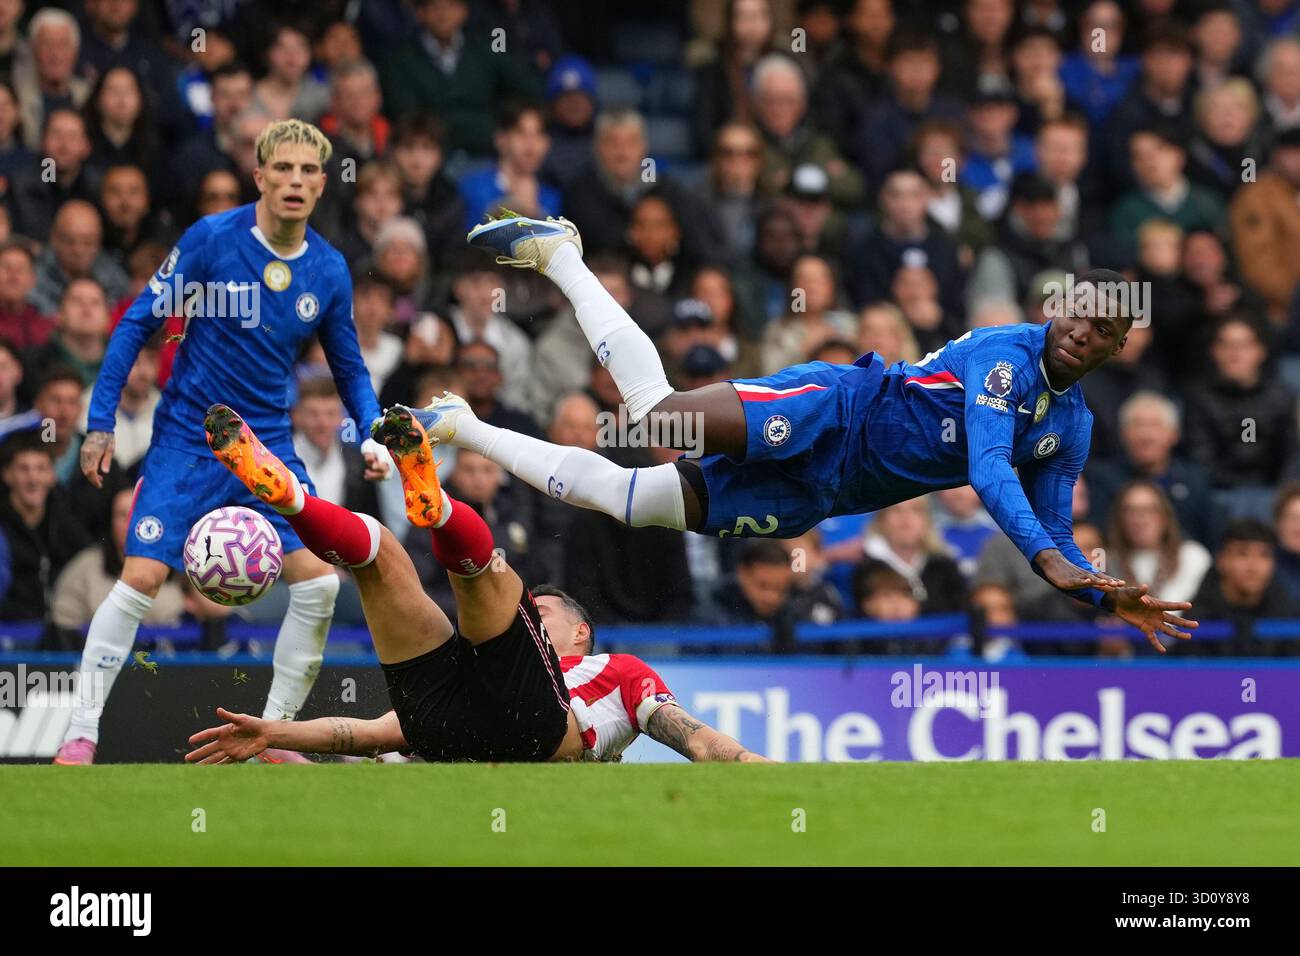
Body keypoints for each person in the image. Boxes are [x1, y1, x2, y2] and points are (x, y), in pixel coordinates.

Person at [439, 212, 1200, 651]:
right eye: (1078, 314)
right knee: (657, 415)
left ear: (1116, 346)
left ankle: (462, 426)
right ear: (1055, 310)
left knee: (628, 499)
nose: (1082, 332)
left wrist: (1102, 596)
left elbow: (1059, 531)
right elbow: (992, 466)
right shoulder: (1007, 355)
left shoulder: (1072, 427)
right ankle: (563, 253)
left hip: (826, 492)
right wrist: (1046, 557)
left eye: (1103, 329)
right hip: (835, 409)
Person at [53, 119, 392, 766]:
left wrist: (373, 432)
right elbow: (135, 325)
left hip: (266, 446)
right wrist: (100, 421)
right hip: (190, 438)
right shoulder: (211, 241)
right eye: (282, 169)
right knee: (143, 576)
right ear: (259, 176)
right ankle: (81, 732)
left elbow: (348, 369)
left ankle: (272, 733)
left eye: (307, 172)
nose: (294, 181)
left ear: (322, 184)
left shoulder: (328, 269)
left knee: (319, 585)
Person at [186, 403, 770, 764]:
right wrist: (271, 733)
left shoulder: (616, 670)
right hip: (452, 725)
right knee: (380, 555)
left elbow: (689, 736)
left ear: (581, 632)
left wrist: (746, 761)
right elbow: (365, 732)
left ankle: (434, 506)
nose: (535, 615)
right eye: (533, 613)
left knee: (487, 582)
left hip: (531, 719)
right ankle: (294, 497)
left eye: (544, 614)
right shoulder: (561, 662)